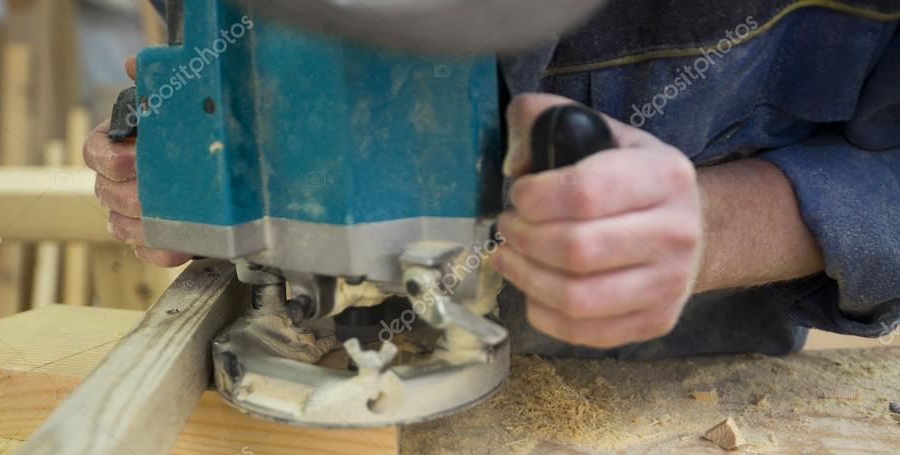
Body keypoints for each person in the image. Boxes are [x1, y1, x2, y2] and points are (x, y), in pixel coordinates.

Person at [85, 0, 900, 358]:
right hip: (289, 391)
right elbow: (202, 83)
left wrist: (720, 226)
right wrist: (183, 168)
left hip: (665, 412)